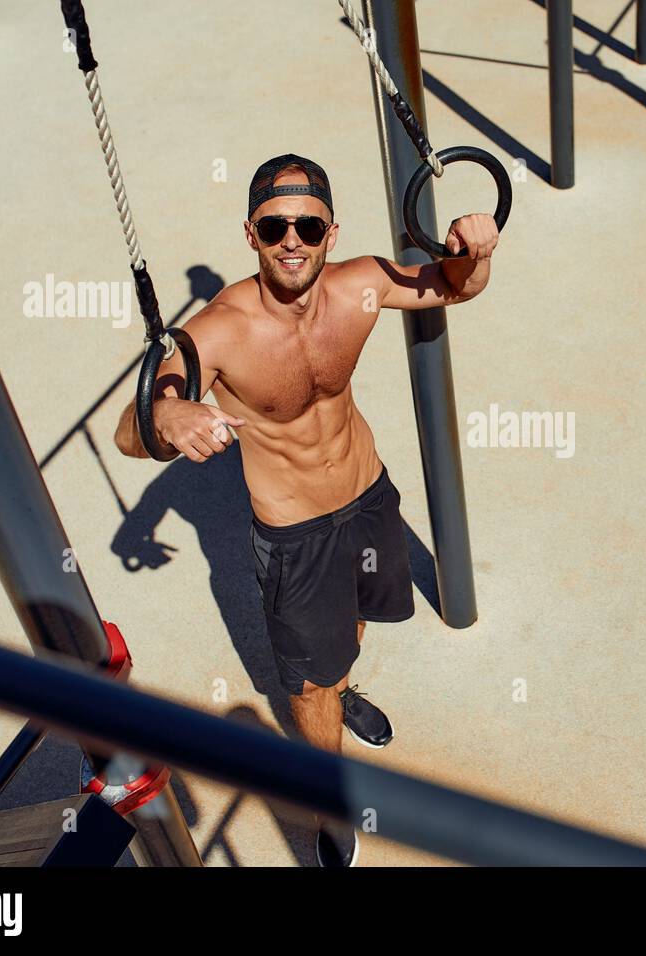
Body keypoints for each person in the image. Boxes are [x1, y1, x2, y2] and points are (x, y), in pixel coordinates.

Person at [113, 154, 499, 866]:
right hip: (293, 533)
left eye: (308, 225)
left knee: (351, 625)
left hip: (369, 496)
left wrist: (476, 255)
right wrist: (169, 416)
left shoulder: (360, 285)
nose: (292, 239)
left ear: (330, 232)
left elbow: (452, 287)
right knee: (309, 682)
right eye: (275, 226)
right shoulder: (220, 330)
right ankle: (330, 806)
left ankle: (342, 690)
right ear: (252, 235)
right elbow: (131, 428)